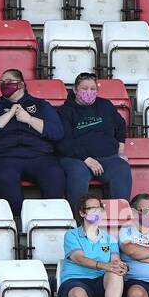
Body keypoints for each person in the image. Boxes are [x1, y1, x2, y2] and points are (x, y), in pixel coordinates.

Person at [0, 68, 67, 225]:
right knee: (6, 178)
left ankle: (51, 222)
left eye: (9, 81)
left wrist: (29, 119)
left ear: (21, 84)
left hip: (39, 156)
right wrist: (10, 114)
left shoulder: (41, 105)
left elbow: (57, 132)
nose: (5, 85)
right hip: (3, 156)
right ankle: (19, 223)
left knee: (54, 175)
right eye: (2, 82)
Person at [58, 72, 132, 211]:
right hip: (76, 159)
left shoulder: (105, 105)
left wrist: (121, 151)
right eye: (84, 89)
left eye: (93, 89)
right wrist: (86, 159)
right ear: (75, 90)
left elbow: (120, 125)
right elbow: (63, 141)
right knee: (78, 173)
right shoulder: (64, 112)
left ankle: (119, 216)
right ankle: (78, 218)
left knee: (122, 167)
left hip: (107, 157)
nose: (89, 92)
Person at [58, 194, 127, 297]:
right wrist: (105, 265)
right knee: (77, 295)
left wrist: (120, 266)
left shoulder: (109, 238)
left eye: (99, 208)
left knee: (115, 271)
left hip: (101, 281)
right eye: (92, 209)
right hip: (76, 280)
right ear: (82, 213)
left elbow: (115, 261)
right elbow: (79, 258)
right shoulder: (72, 235)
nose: (97, 212)